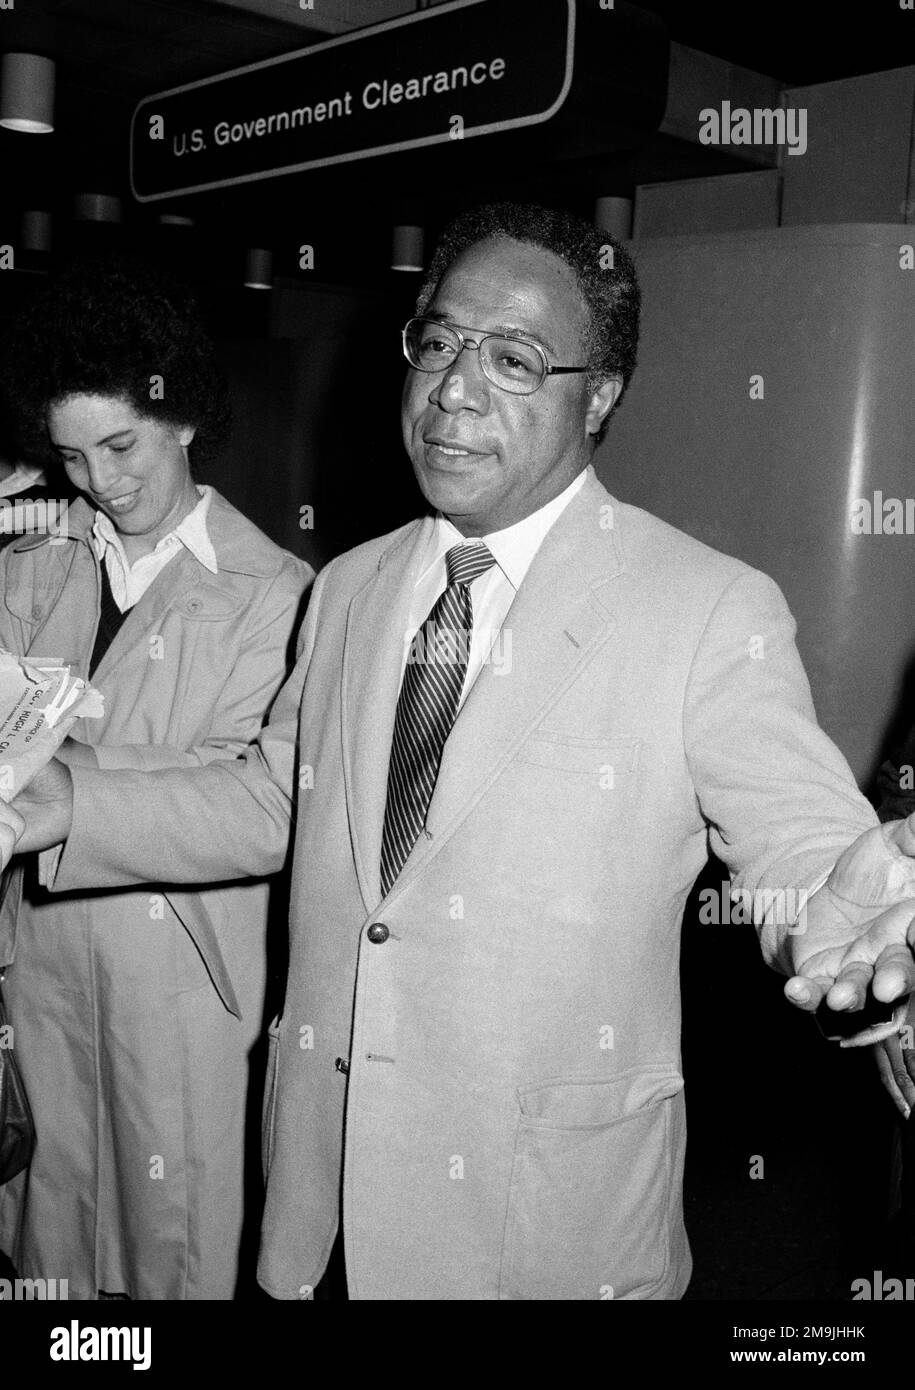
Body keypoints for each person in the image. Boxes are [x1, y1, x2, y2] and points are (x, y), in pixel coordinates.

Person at [2, 203, 915, 1302]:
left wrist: (839, 922)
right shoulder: (348, 588)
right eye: (436, 342)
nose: (455, 387)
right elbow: (277, 799)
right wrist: (67, 802)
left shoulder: (707, 608)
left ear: (603, 396)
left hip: (536, 1228)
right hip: (318, 1207)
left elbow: (801, 844)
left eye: (514, 359)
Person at [0, 258, 312, 1299]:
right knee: (50, 1244)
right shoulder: (32, 563)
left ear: (183, 419)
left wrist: (71, 781)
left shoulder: (278, 593)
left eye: (123, 444)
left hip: (180, 987)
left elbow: (256, 803)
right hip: (36, 971)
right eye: (73, 455)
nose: (102, 480)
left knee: (172, 1253)